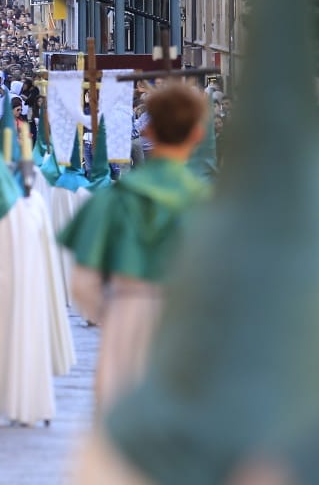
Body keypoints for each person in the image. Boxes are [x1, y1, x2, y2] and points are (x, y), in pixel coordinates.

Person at [58, 83, 210, 410]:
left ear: (150, 129)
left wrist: (117, 312)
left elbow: (83, 285)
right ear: (197, 134)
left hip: (127, 316)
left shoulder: (113, 199)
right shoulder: (216, 204)